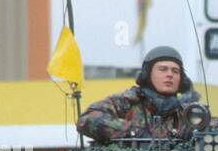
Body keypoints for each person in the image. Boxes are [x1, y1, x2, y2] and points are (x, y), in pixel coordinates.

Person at [77, 45, 206, 143]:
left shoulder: (189, 112)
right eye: (163, 69)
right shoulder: (126, 102)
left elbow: (216, 128)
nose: (169, 75)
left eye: (175, 71)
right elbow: (87, 119)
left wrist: (196, 132)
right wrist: (133, 132)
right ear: (147, 75)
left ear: (182, 79)